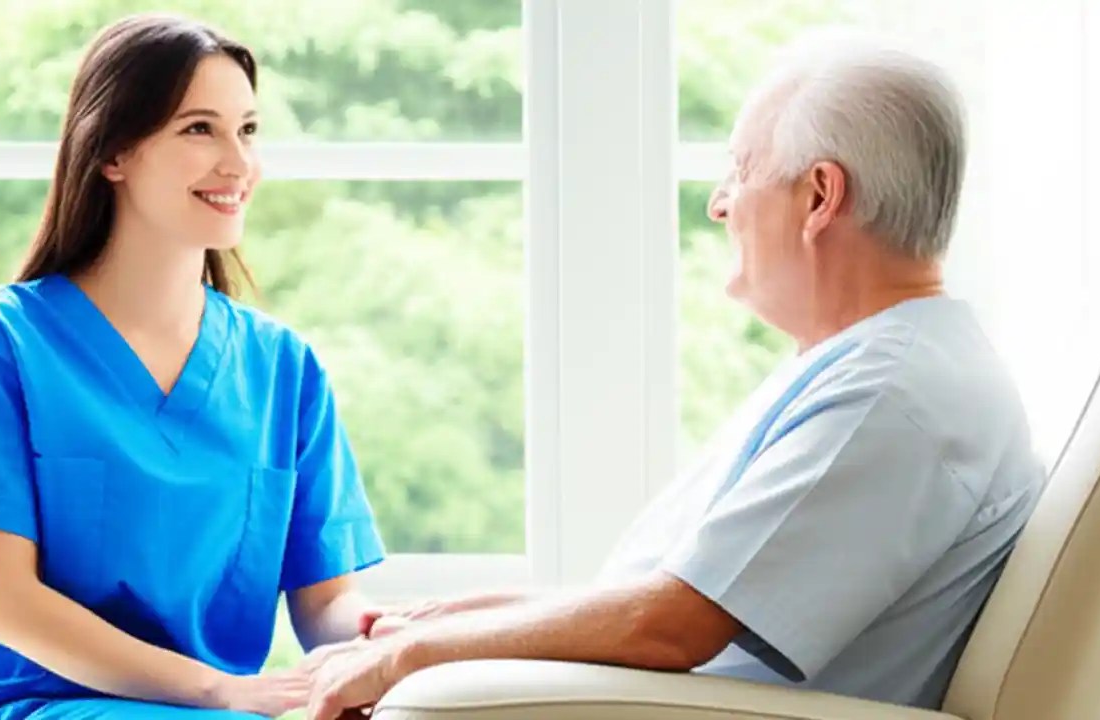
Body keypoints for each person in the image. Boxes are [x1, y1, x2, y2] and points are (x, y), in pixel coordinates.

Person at [290, 32, 1047, 720]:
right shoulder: (884, 365)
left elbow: (670, 627)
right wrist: (458, 621)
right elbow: (681, 600)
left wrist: (406, 658)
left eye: (742, 171)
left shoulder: (890, 396)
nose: (721, 204)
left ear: (820, 196)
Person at [0, 14, 384, 719]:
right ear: (114, 152)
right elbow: (7, 607)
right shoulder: (0, 344)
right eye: (199, 130)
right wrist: (222, 690)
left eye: (247, 130)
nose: (238, 163)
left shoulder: (283, 369)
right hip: (34, 704)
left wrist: (380, 639)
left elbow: (325, 601)